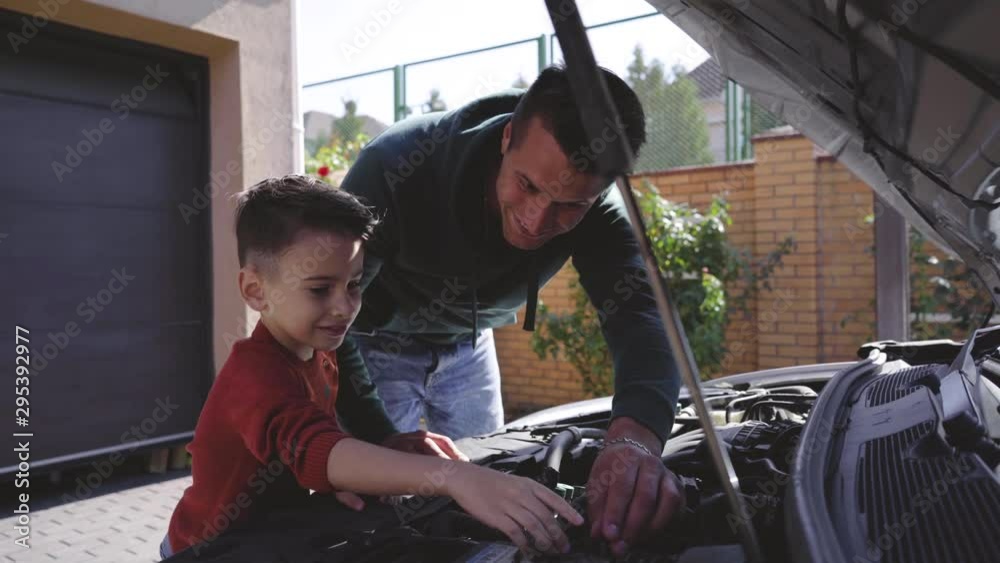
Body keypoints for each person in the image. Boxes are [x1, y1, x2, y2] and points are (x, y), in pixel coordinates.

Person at [336, 65, 685, 558]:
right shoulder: (393, 169)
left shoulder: (600, 207)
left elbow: (642, 317)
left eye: (569, 206)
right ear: (506, 139)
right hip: (373, 343)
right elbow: (325, 313)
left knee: (491, 490)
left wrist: (636, 438)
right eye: (527, 185)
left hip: (470, 344)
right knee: (386, 513)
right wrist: (379, 433)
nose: (537, 221)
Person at [159, 175, 582, 560]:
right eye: (319, 289)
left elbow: (318, 444)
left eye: (354, 284)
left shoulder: (317, 348)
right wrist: (454, 477)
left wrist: (385, 444)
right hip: (209, 549)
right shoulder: (254, 377)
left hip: (275, 532)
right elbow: (317, 450)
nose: (344, 307)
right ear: (255, 290)